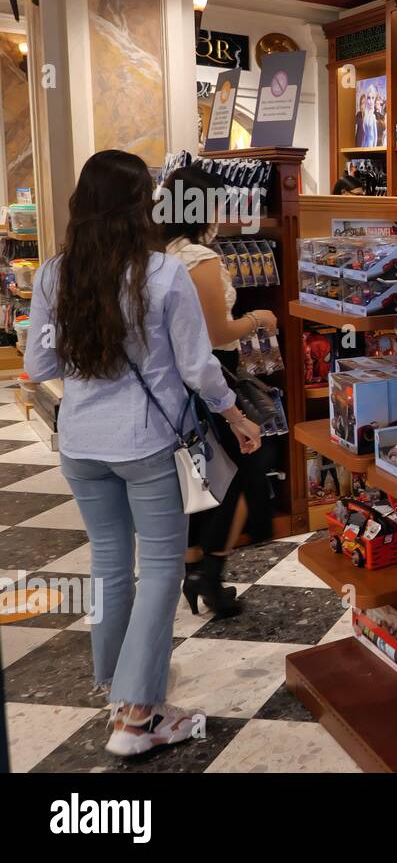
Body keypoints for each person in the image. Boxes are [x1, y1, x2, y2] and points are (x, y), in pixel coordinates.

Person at [25, 150, 263, 757]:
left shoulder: (56, 273)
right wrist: (236, 416)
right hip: (147, 443)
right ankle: (138, 717)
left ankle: (119, 689)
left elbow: (37, 366)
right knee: (159, 570)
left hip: (79, 442)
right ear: (143, 204)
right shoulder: (162, 274)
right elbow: (198, 368)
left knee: (109, 564)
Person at [158, 165, 278, 618]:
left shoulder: (161, 252)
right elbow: (214, 332)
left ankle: (196, 570)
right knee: (246, 464)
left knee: (199, 471)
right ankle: (211, 571)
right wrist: (259, 320)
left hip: (174, 382)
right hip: (213, 374)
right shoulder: (198, 259)